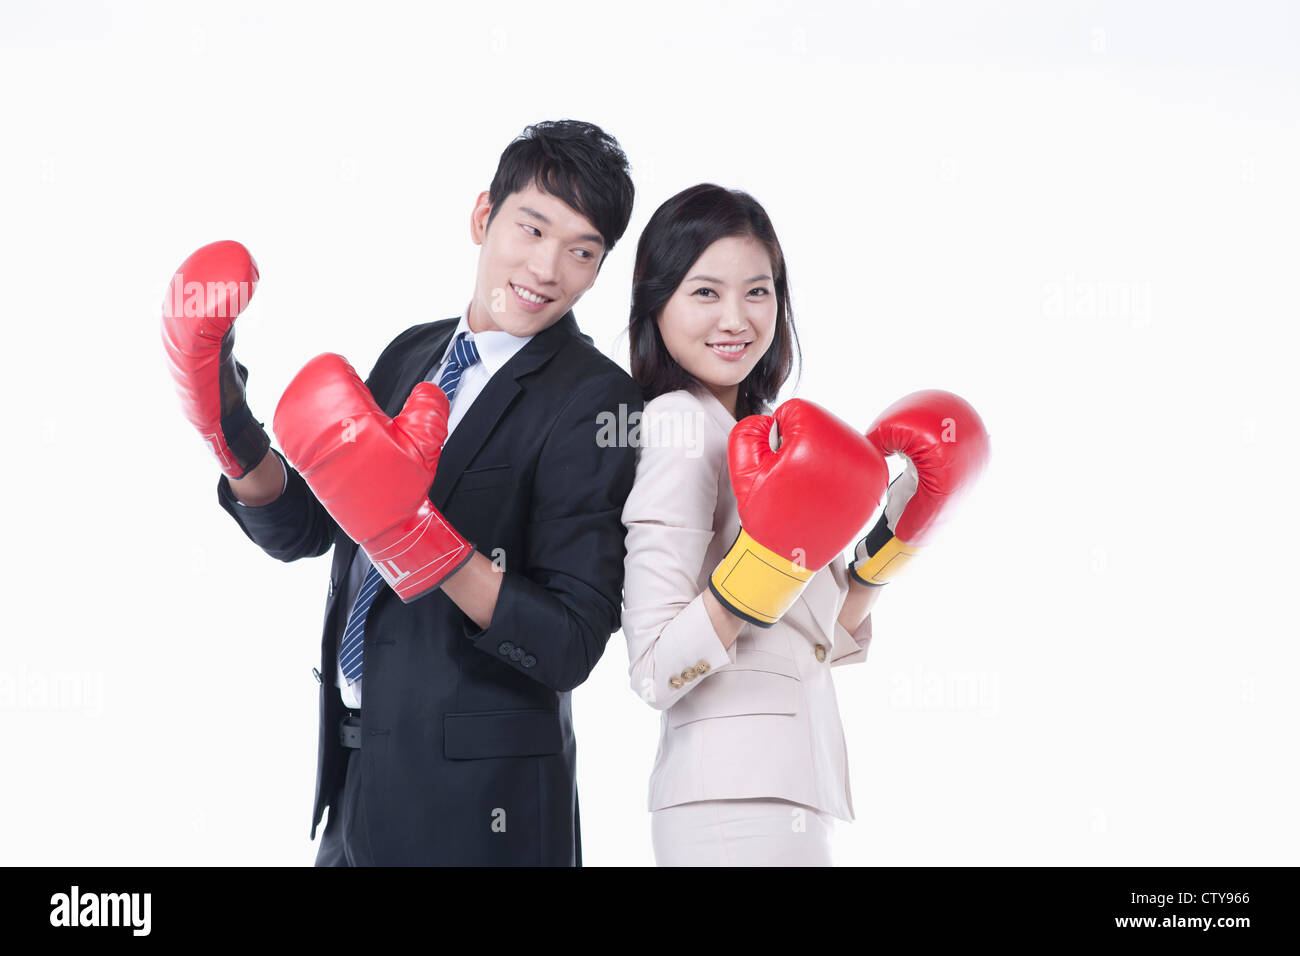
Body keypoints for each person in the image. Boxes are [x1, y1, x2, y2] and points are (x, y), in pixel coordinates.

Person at [162, 119, 640, 865]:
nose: (548, 268)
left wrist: (420, 540)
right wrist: (225, 421)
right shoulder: (412, 352)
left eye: (582, 251)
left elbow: (571, 642)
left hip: (484, 810)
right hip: (354, 785)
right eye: (532, 228)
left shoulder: (597, 402)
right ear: (484, 216)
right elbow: (313, 532)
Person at [619, 183, 887, 866]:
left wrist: (891, 545)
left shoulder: (762, 439)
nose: (736, 318)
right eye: (705, 292)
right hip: (730, 804)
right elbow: (653, 669)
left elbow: (818, 641)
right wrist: (757, 570)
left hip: (790, 786)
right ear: (658, 303)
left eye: (758, 291)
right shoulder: (679, 424)